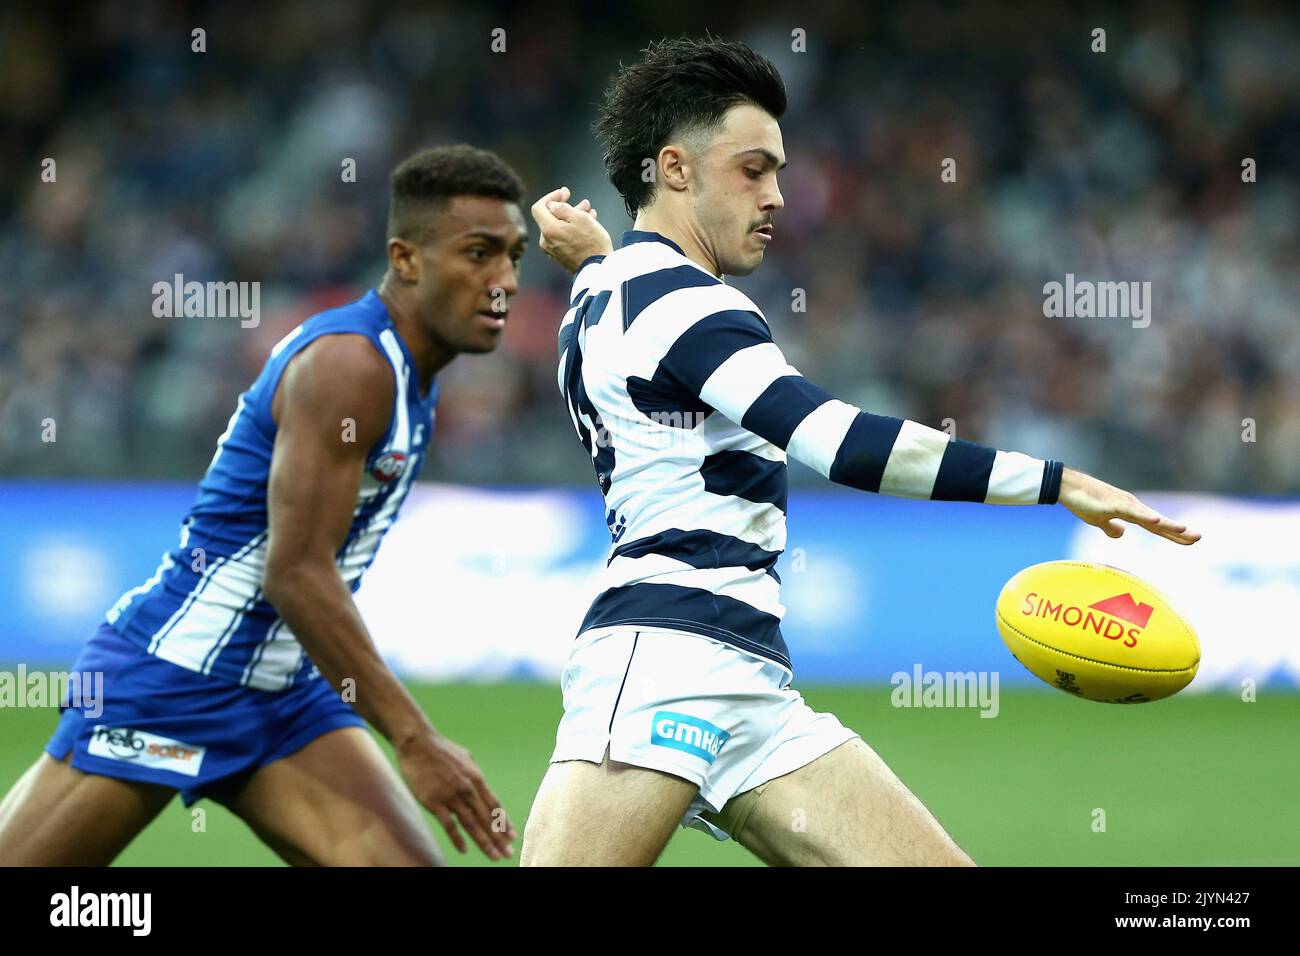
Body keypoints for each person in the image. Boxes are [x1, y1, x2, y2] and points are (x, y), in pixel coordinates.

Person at [522, 37, 1199, 866]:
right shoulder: (684, 305)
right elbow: (839, 445)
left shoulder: (605, 292)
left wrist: (591, 252)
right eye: (753, 169)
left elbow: (617, 285)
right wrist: (1053, 482)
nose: (777, 196)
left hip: (750, 683)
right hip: (664, 659)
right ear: (674, 168)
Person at [0, 144, 530, 866]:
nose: (504, 281)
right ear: (406, 259)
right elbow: (296, 572)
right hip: (174, 680)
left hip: (283, 693)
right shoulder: (352, 366)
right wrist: (415, 737)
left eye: (514, 256)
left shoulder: (413, 374)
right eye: (479, 254)